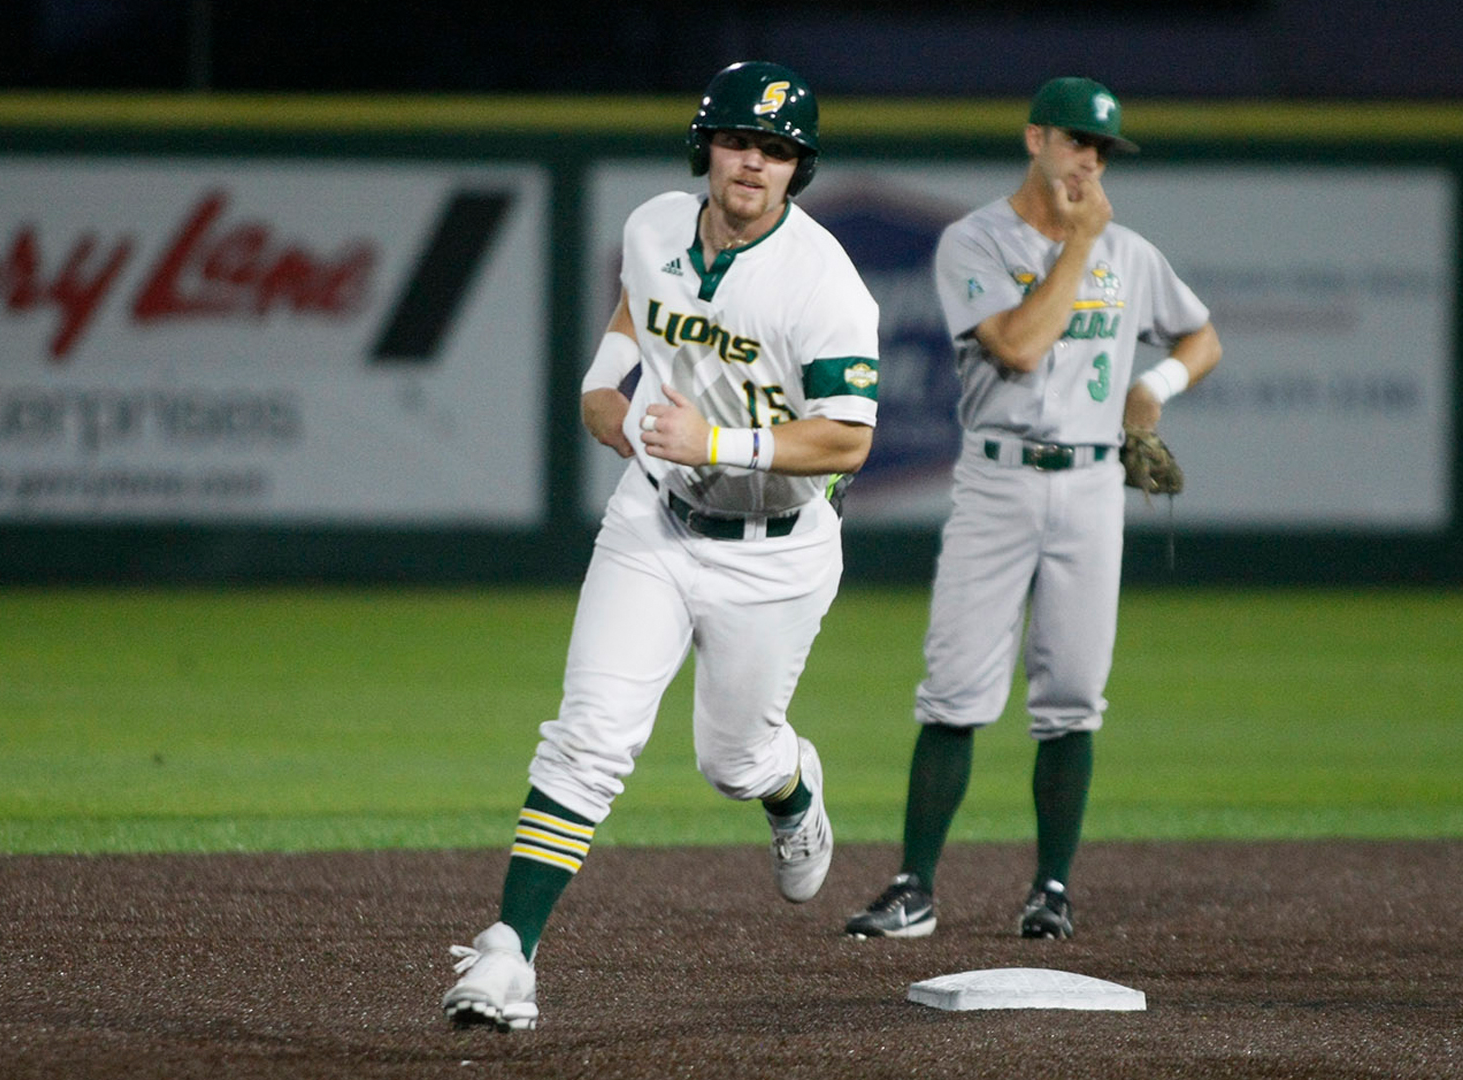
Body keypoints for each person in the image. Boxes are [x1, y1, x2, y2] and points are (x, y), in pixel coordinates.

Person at [443, 60, 880, 1031]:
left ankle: (791, 782)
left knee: (731, 760)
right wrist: (609, 400)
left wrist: (721, 442)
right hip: (653, 521)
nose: (754, 164)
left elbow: (850, 437)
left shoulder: (824, 283)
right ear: (705, 146)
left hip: (776, 550)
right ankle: (510, 954)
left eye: (776, 150)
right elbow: (629, 335)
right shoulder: (651, 230)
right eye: (738, 142)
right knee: (589, 737)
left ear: (796, 168)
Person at [843, 76, 1220, 941]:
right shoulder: (974, 242)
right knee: (954, 690)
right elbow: (1015, 347)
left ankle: (1051, 888)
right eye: (1076, 141)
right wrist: (1081, 248)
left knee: (1074, 695)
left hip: (1092, 485)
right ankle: (914, 886)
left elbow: (1203, 335)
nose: (1089, 159)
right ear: (1034, 139)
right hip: (998, 482)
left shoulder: (1129, 251)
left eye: (1102, 149)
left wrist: (1154, 381)